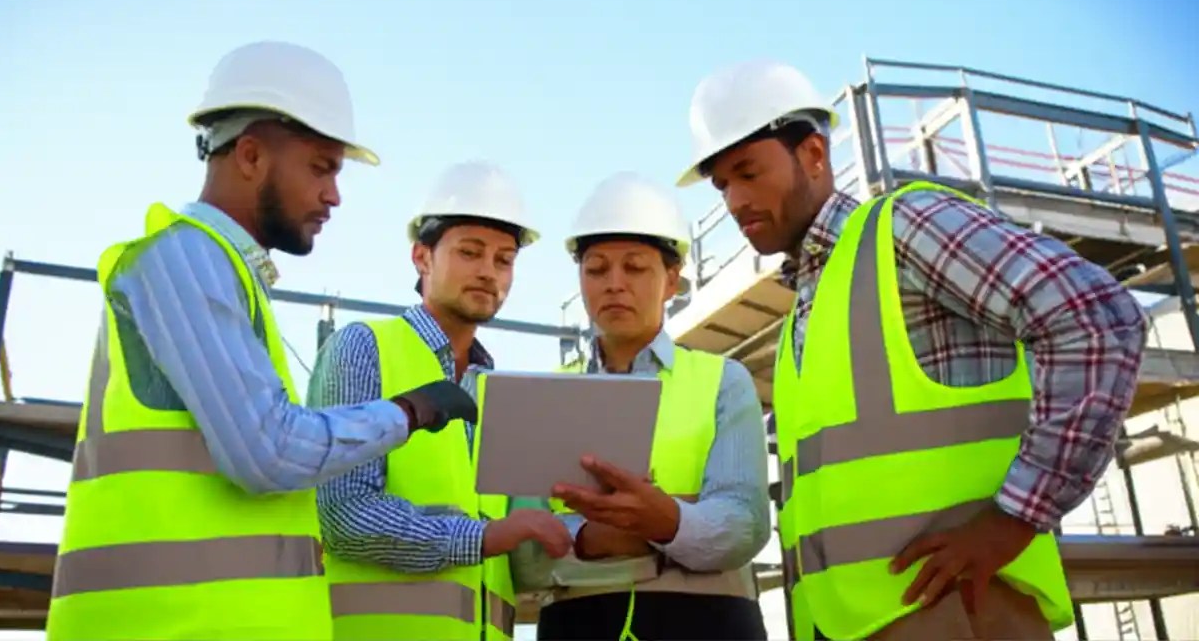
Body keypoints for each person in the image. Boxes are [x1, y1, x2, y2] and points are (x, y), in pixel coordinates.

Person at [679, 59, 1149, 640]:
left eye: (748, 172)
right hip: (850, 626)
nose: (734, 200)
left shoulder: (901, 227)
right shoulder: (805, 308)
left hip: (957, 611)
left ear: (815, 156)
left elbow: (1097, 319)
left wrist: (1017, 516)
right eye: (723, 184)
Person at [45, 41, 479, 641]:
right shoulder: (184, 258)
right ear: (250, 156)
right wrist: (412, 410)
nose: (334, 195)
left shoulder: (223, 275)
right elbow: (269, 452)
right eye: (321, 168)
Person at [308, 160, 572, 641]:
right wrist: (482, 537)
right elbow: (342, 513)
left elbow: (516, 548)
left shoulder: (502, 392)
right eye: (470, 253)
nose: (488, 272)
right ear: (421, 257)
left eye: (504, 260)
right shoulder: (363, 348)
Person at [513, 171, 771, 641]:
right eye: (596, 269)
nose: (614, 284)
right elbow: (527, 559)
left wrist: (661, 521)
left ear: (672, 279)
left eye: (634, 267)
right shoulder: (545, 396)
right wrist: (607, 535)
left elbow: (744, 524)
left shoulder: (722, 382)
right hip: (578, 626)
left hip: (705, 626)